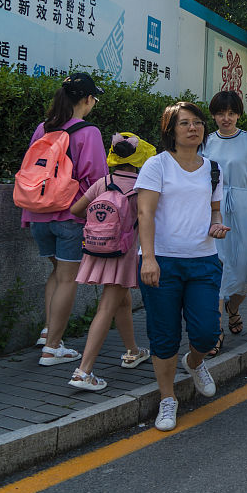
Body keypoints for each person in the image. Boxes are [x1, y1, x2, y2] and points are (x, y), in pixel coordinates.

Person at [135, 102, 230, 431]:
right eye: (184, 123)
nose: (194, 128)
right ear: (170, 130)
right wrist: (148, 258)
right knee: (164, 336)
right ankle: (167, 399)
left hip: (203, 260)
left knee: (207, 332)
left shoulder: (213, 168)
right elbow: (144, 213)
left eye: (198, 122)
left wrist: (216, 224)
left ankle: (194, 361)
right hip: (162, 261)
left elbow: (215, 210)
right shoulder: (156, 166)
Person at [20, 72, 107, 367]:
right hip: (70, 216)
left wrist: (27, 215)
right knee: (68, 278)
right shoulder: (88, 132)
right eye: (94, 97)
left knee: (57, 273)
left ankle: (48, 332)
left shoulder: (43, 128)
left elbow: (32, 171)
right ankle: (53, 348)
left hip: (38, 215)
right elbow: (96, 179)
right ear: (86, 99)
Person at [65, 132, 157, 391]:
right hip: (123, 254)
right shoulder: (142, 187)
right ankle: (84, 372)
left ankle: (132, 351)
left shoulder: (103, 182)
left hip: (97, 250)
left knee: (121, 301)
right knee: (107, 307)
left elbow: (75, 210)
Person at [201, 91, 247, 353]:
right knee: (218, 266)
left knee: (243, 268)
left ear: (239, 114)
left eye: (231, 113)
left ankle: (234, 307)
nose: (225, 118)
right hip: (212, 207)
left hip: (244, 207)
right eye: (220, 113)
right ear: (213, 115)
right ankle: (215, 331)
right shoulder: (205, 142)